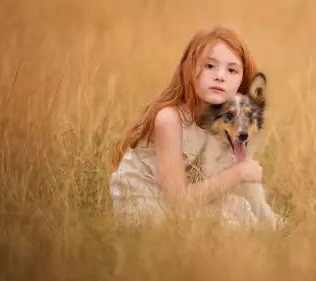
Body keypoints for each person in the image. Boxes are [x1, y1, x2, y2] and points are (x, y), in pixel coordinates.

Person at [109, 25, 267, 227]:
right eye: (210, 66)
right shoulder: (170, 119)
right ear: (189, 69)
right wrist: (237, 174)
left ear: (241, 81)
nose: (220, 76)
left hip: (177, 201)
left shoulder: (226, 123)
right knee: (228, 215)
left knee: (237, 207)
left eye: (232, 70)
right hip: (143, 203)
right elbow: (178, 201)